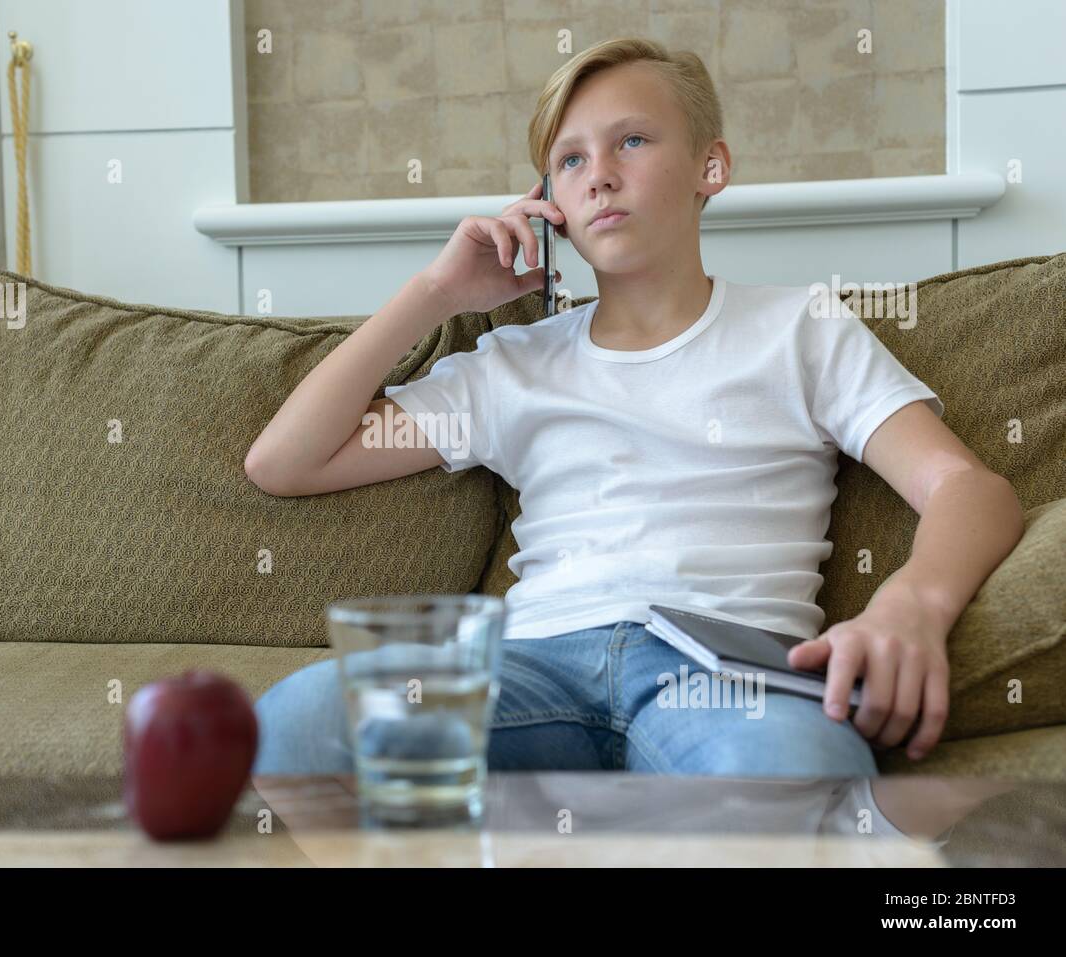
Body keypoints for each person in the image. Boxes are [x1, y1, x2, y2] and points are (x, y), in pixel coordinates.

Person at [243, 37, 1024, 778]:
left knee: (798, 775)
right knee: (301, 723)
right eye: (570, 159)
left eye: (633, 142)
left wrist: (913, 604)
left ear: (709, 167)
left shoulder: (802, 328)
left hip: (723, 675)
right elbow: (284, 461)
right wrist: (436, 294)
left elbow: (968, 488)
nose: (599, 175)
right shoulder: (515, 364)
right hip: (531, 667)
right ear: (549, 202)